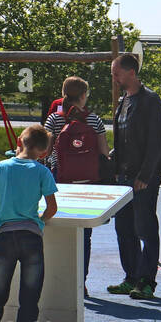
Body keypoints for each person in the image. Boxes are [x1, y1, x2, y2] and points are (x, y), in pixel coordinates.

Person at [0, 126, 58, 322]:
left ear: (19, 142)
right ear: (43, 152)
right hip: (31, 235)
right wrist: (40, 222)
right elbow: (52, 207)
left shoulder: (1, 167)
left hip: (5, 235)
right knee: (30, 295)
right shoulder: (42, 172)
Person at [106, 53, 161, 301]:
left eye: (116, 73)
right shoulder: (123, 101)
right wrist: (114, 170)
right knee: (123, 228)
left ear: (131, 73)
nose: (114, 78)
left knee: (145, 228)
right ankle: (131, 277)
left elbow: (157, 141)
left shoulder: (150, 100)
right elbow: (120, 141)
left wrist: (145, 174)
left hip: (144, 178)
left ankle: (146, 281)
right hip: (123, 177)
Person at [44, 76, 109, 297]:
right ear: (83, 96)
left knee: (59, 230)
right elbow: (103, 153)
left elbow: (45, 151)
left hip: (59, 180)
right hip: (87, 183)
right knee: (84, 235)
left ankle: (59, 280)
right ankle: (81, 283)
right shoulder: (94, 120)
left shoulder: (54, 119)